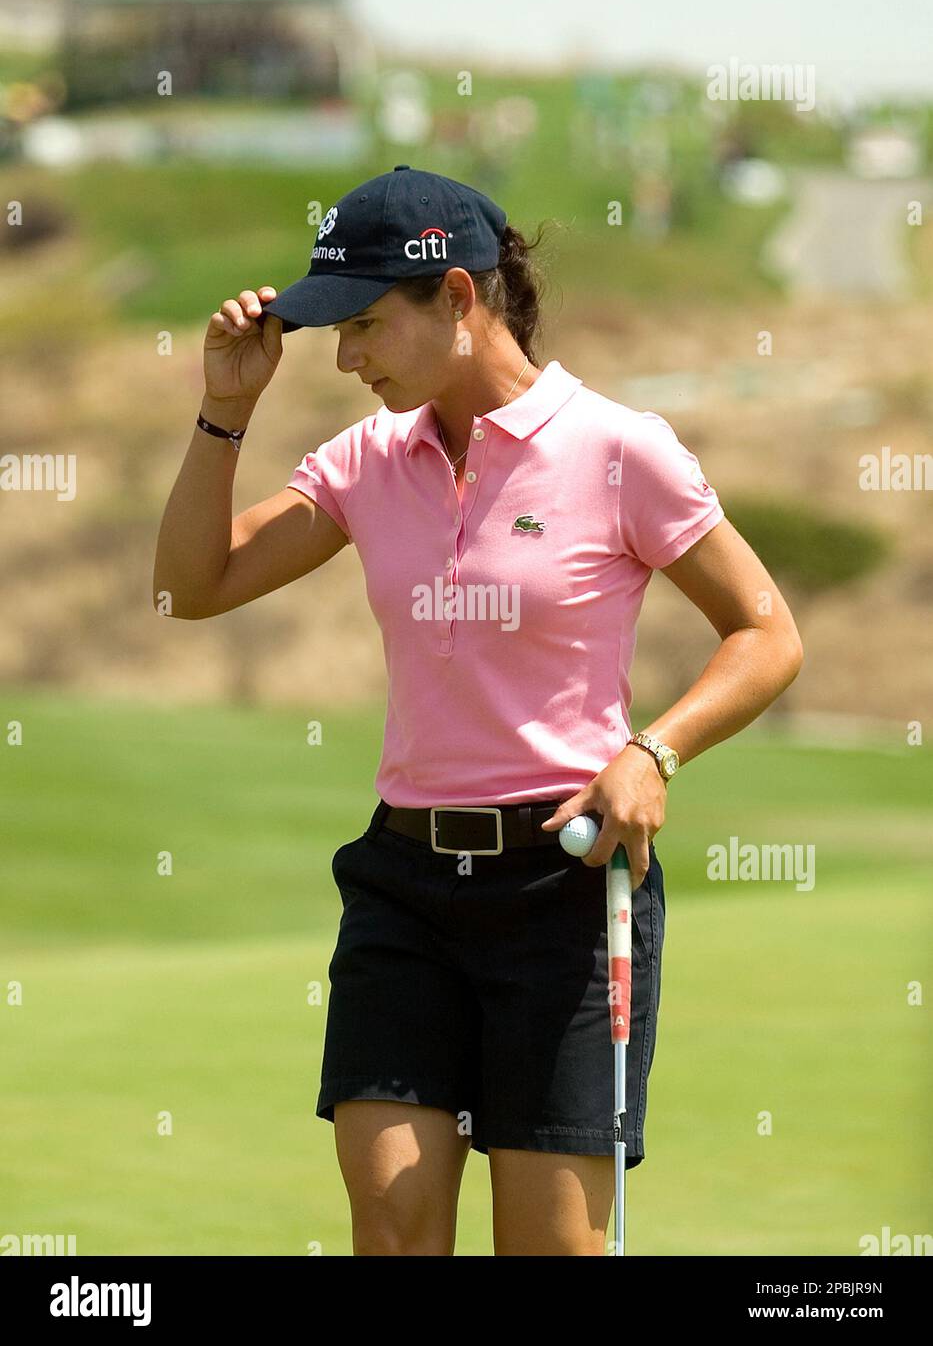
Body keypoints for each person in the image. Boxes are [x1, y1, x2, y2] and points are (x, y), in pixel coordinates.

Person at [153, 165, 803, 1256]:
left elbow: (767, 631)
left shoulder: (618, 448)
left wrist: (654, 749)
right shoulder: (368, 460)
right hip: (405, 889)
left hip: (565, 886)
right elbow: (190, 586)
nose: (348, 359)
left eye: (365, 325)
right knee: (396, 1231)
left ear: (458, 299)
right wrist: (225, 412)